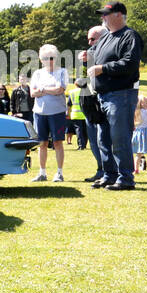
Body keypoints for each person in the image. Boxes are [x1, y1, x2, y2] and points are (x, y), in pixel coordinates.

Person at [87, 2, 143, 190]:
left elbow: (129, 63)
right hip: (103, 95)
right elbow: (95, 54)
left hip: (121, 94)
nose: (103, 17)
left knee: (120, 138)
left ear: (119, 15)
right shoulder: (105, 37)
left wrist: (102, 68)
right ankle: (109, 175)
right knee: (103, 138)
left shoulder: (129, 36)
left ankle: (125, 178)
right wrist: (88, 57)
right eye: (102, 15)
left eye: (106, 14)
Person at [29, 44, 69, 182]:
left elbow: (60, 90)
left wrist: (43, 90)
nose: (49, 60)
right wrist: (48, 90)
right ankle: (42, 173)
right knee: (42, 143)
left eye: (51, 58)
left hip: (57, 112)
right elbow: (33, 93)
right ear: (41, 59)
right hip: (40, 112)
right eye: (45, 58)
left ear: (55, 58)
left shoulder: (62, 72)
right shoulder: (37, 73)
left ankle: (59, 173)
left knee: (58, 143)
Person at [77, 24, 106, 180]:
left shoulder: (107, 54)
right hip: (89, 103)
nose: (89, 43)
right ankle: (101, 169)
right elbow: (82, 79)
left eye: (92, 39)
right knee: (94, 139)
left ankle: (109, 171)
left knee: (104, 139)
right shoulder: (87, 57)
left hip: (102, 101)